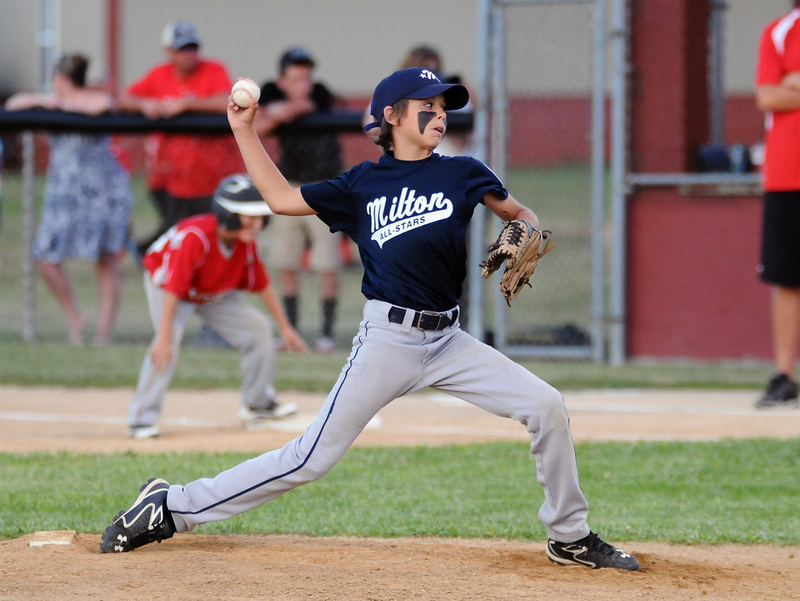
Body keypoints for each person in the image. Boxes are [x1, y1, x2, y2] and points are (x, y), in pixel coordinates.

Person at [100, 67, 639, 572]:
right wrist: (243, 129)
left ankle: (569, 535)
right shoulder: (361, 185)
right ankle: (171, 507)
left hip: (449, 340)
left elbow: (520, 213)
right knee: (309, 459)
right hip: (389, 339)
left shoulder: (464, 173)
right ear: (392, 116)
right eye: (426, 105)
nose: (439, 114)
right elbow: (280, 197)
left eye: (444, 106)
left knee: (546, 405)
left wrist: (523, 230)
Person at [126, 173, 308, 440]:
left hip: (211, 292)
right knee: (167, 344)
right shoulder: (195, 238)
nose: (257, 225)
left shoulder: (245, 244)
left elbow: (263, 286)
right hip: (167, 286)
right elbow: (174, 288)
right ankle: (141, 419)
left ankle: (257, 404)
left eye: (260, 217)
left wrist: (285, 328)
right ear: (227, 214)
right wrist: (164, 336)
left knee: (257, 329)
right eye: (249, 216)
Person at [4, 53, 132, 346]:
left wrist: (63, 103)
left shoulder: (94, 100)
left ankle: (103, 335)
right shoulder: (52, 102)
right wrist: (47, 101)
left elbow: (101, 106)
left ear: (63, 79)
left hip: (103, 191)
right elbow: (13, 105)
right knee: (45, 254)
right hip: (64, 192)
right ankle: (76, 317)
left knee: (106, 259)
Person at [118, 20, 242, 259]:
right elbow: (124, 99)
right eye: (182, 48)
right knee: (177, 229)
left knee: (213, 230)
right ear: (169, 52)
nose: (189, 54)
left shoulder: (214, 69)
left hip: (215, 172)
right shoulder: (159, 75)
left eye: (193, 47)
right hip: (172, 174)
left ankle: (149, 252)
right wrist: (145, 104)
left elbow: (226, 100)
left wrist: (186, 103)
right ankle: (148, 254)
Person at [253, 47, 344, 353]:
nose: (304, 84)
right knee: (286, 261)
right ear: (282, 81)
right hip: (290, 187)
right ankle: (290, 331)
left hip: (324, 187)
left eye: (307, 77)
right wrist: (277, 111)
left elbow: (301, 106)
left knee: (327, 264)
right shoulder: (269, 92)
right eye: (296, 79)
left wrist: (285, 110)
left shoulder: (320, 94)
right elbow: (261, 126)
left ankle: (326, 334)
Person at [753, 7, 800, 409]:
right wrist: (784, 87)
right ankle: (785, 375)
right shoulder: (781, 32)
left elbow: (785, 91)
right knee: (787, 277)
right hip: (788, 173)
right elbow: (768, 95)